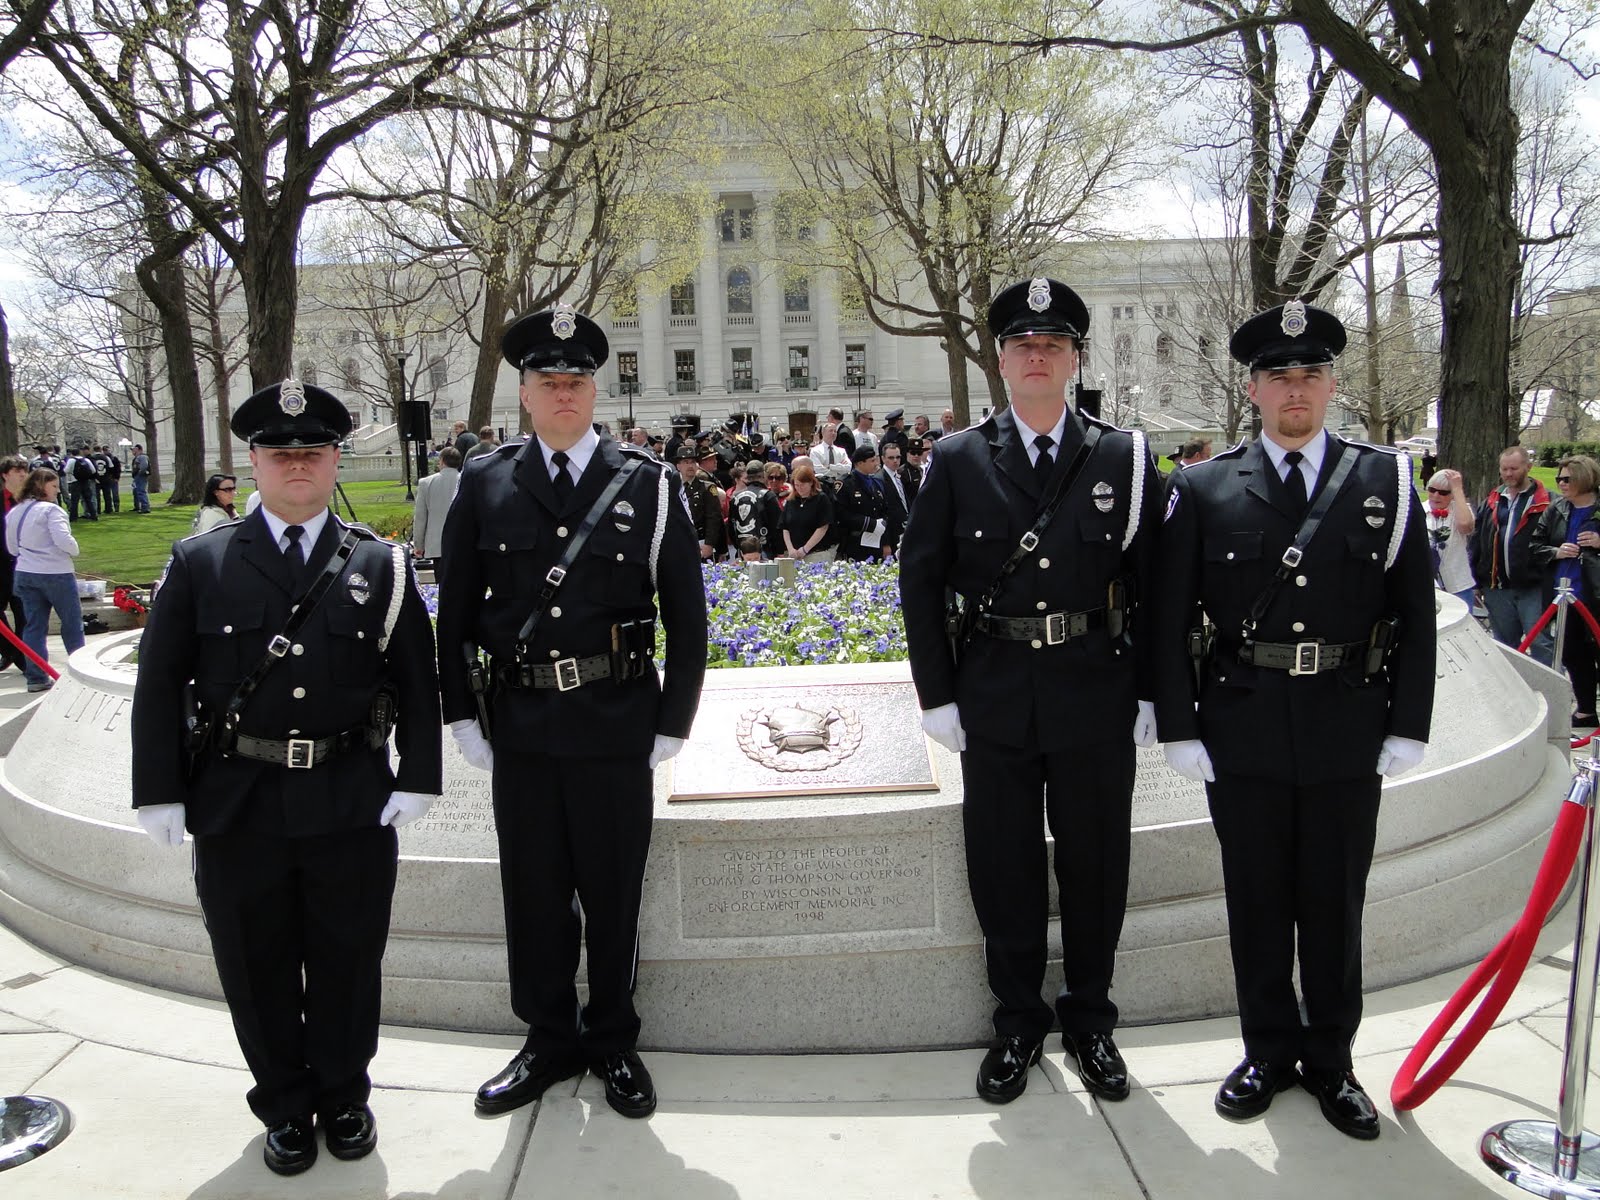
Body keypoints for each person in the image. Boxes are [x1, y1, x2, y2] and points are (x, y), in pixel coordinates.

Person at [130, 379, 441, 1176]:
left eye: (312, 452)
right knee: (253, 959)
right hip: (239, 802)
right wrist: (158, 789)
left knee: (347, 956)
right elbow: (160, 684)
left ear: (335, 459)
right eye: (279, 452)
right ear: (254, 462)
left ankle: (343, 1095)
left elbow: (416, 678)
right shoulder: (201, 562)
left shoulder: (381, 562)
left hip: (349, 797)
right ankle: (284, 1103)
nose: (296, 465)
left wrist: (419, 774)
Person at [1152, 300, 1435, 1142]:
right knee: (1259, 901)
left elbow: (1414, 612)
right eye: (1279, 374)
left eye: (1310, 372)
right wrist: (1180, 726)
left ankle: (1332, 1060)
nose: (1295, 388)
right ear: (1254, 389)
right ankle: (1267, 1052)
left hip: (1348, 723)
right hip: (1241, 727)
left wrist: (1408, 722)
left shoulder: (1384, 480)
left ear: (1332, 383)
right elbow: (1170, 619)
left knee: (1335, 902)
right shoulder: (1202, 488)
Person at [435, 304, 707, 1122]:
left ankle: (614, 1038)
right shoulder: (483, 482)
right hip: (520, 725)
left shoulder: (649, 485)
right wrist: (460, 717)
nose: (562, 393)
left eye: (576, 380)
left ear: (596, 390)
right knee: (535, 890)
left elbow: (687, 618)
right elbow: (453, 615)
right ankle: (547, 1037)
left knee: (614, 889)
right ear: (524, 393)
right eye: (547, 381)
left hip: (616, 720)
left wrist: (672, 721)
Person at [899, 277, 1162, 1106]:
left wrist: (1155, 692)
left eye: (1052, 345)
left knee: (1096, 866)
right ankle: (1018, 1023)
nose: (1037, 357)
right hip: (997, 696)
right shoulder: (959, 458)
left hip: (1095, 694)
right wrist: (936, 695)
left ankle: (1090, 1021)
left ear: (1074, 358)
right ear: (1003, 363)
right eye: (1022, 346)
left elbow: (1155, 582)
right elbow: (919, 576)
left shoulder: (1125, 456)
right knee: (1004, 867)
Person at [1532, 456, 1600, 726]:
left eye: (1566, 479)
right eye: (1559, 478)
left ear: (1585, 478)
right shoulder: (1556, 509)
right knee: (1572, 653)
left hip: (1594, 595)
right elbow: (1535, 546)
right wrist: (1556, 551)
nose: (1560, 484)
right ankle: (1585, 709)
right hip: (1563, 595)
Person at [1471, 446, 1554, 665]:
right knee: (1505, 644)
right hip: (1497, 587)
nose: (1508, 474)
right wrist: (1476, 580)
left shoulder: (1547, 502)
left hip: (1533, 587)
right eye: (1504, 469)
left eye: (1514, 469)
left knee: (1540, 642)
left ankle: (1549, 692)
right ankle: (1515, 694)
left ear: (1528, 467)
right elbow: (1478, 540)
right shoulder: (1493, 500)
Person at [5, 467, 83, 693]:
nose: (57, 491)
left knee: (34, 626)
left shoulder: (15, 512)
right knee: (72, 625)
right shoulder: (51, 511)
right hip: (56, 573)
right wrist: (74, 549)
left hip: (26, 573)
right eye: (54, 486)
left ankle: (36, 676)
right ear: (41, 486)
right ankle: (80, 674)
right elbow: (64, 541)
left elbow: (12, 548)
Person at [1424, 468, 1476, 611]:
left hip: (1458, 585)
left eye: (1443, 492)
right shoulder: (1419, 511)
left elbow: (1465, 525)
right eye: (1432, 490)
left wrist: (1457, 489)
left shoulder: (1460, 510)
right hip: (1429, 587)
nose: (1436, 495)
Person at [834, 444, 889, 561]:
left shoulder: (876, 483)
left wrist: (885, 541)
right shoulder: (846, 484)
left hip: (876, 542)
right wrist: (870, 524)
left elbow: (884, 511)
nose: (876, 464)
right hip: (855, 543)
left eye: (876, 460)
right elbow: (842, 514)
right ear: (859, 463)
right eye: (872, 461)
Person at [0, 455, 29, 670]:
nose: (22, 475)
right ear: (5, 475)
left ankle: (23, 658)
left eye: (24, 471)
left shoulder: (32, 502)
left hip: (24, 565)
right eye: (17, 471)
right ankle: (10, 650)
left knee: (24, 614)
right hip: (1, 565)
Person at [412, 445, 462, 566]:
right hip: (462, 543)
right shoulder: (465, 480)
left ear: (442, 461)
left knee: (442, 582)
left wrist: (418, 545)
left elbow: (420, 517)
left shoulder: (426, 483)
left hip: (436, 544)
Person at [676, 446, 727, 561]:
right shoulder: (672, 488)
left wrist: (709, 544)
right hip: (677, 543)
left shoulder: (707, 488)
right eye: (686, 462)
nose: (690, 466)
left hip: (700, 543)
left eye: (693, 462)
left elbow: (714, 518)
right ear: (678, 466)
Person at [727, 461, 783, 560]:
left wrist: (739, 546)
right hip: (764, 550)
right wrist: (780, 551)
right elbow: (777, 526)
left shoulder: (735, 497)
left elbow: (731, 527)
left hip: (743, 552)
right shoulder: (768, 495)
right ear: (763, 475)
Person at [780, 462, 835, 562]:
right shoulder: (791, 501)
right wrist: (790, 549)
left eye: (802, 485)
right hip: (793, 554)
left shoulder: (821, 499)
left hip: (816, 553)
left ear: (811, 483)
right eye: (797, 485)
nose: (799, 488)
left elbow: (823, 527)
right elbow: (785, 527)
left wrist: (805, 549)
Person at [880, 442, 913, 556]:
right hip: (891, 535)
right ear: (883, 459)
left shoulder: (897, 476)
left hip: (903, 532)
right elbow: (881, 513)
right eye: (891, 458)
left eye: (898, 457)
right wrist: (885, 543)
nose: (895, 461)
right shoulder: (880, 479)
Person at [809, 422, 850, 494]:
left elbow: (848, 468)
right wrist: (838, 469)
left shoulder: (841, 451)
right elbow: (818, 470)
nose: (833, 433)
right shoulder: (815, 451)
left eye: (835, 431)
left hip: (840, 486)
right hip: (823, 486)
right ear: (823, 433)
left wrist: (830, 467)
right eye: (831, 431)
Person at [130, 444, 152, 512]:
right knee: (137, 491)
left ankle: (145, 507)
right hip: (137, 476)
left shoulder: (142, 457)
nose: (133, 451)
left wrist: (139, 473)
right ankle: (139, 507)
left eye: (134, 450)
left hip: (141, 476)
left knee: (141, 491)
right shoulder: (137, 458)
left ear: (139, 449)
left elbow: (144, 466)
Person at [104, 444, 123, 512]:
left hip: (113, 478)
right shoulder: (105, 459)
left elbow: (118, 469)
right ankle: (110, 507)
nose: (106, 451)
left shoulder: (114, 459)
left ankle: (116, 506)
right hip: (107, 478)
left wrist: (117, 477)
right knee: (109, 494)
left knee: (115, 493)